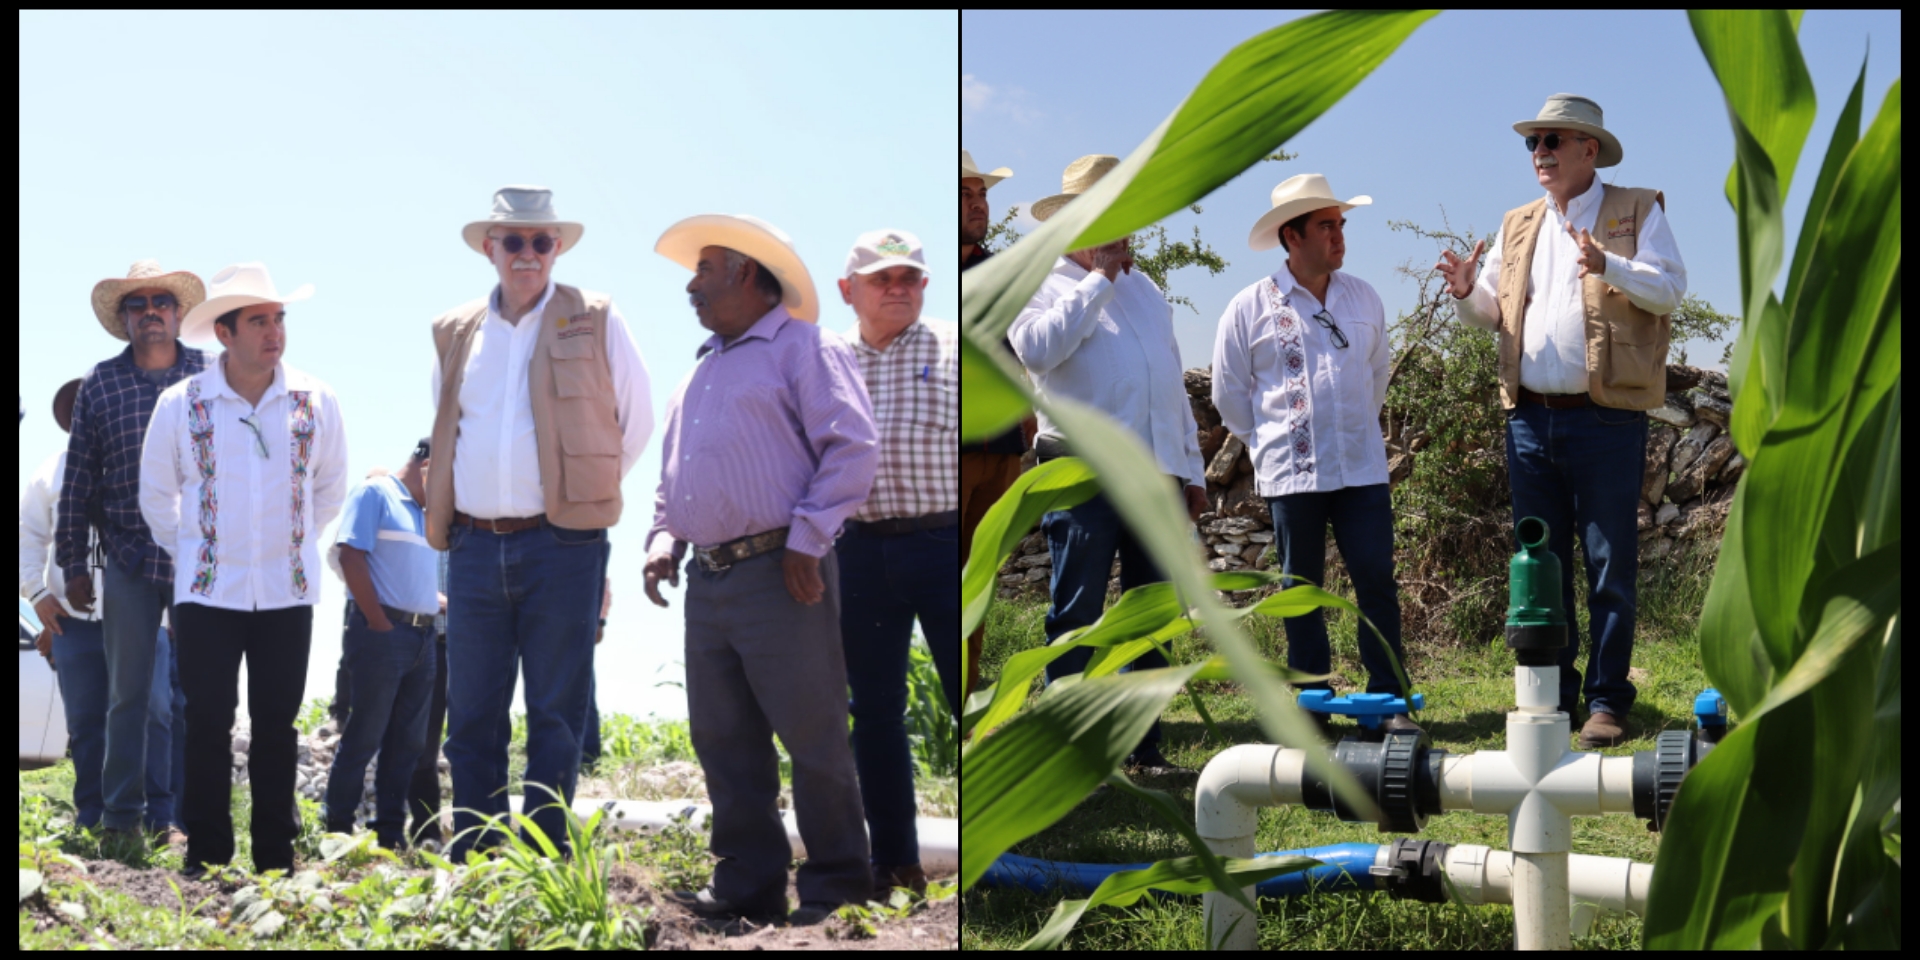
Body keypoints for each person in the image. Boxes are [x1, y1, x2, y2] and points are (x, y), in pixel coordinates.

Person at [646, 213, 879, 925]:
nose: (693, 285)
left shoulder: (804, 347)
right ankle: (748, 883)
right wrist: (663, 536)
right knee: (723, 736)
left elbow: (853, 446)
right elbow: (674, 471)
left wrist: (809, 538)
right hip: (709, 580)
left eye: (705, 270)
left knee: (812, 734)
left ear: (747, 273)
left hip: (783, 571)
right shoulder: (702, 368)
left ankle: (837, 884)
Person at [1434, 94, 1687, 748]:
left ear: (1588, 150)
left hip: (1606, 420)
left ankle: (1606, 701)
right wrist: (1466, 293)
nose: (1540, 153)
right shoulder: (1518, 222)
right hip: (1529, 420)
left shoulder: (1636, 208)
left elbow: (1668, 289)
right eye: (1533, 143)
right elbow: (1495, 313)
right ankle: (1551, 694)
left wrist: (1611, 265)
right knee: (1539, 563)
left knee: (1609, 565)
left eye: (1552, 141)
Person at [425, 186, 654, 857]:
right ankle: (475, 856)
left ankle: (545, 859)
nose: (528, 254)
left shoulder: (598, 317)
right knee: (470, 717)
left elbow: (633, 424)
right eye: (514, 241)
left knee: (556, 712)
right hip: (471, 545)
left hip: (565, 545)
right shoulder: (454, 331)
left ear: (557, 248)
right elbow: (447, 429)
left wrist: (580, 498)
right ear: (490, 248)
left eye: (541, 241)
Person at [141, 263, 348, 877]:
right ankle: (206, 857)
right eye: (259, 320)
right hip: (207, 593)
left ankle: (275, 859)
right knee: (207, 720)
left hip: (286, 591)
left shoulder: (317, 399)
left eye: (279, 318)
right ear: (225, 334)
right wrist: (196, 555)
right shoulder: (183, 404)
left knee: (278, 725)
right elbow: (157, 494)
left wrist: (288, 544)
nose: (274, 331)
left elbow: (330, 489)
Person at [1009, 155, 1206, 775]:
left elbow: (1169, 382)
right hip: (1081, 471)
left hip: (1154, 474)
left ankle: (1143, 749)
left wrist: (1192, 468)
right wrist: (1095, 280)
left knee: (1150, 612)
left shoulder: (1146, 291)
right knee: (1077, 613)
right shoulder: (1038, 280)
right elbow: (1036, 351)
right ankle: (1069, 757)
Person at [1212, 174, 1415, 738]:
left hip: (1361, 470)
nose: (1339, 236)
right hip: (1291, 474)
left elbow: (1376, 376)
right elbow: (1229, 397)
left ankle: (1388, 702)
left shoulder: (1364, 297)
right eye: (1326, 226)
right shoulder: (1249, 307)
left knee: (1376, 581)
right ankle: (1314, 706)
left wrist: (1346, 431)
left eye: (1340, 225)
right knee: (1300, 590)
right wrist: (1274, 443)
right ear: (1291, 235)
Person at [57, 260, 208, 856]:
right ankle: (122, 818)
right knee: (130, 694)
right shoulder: (100, 383)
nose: (151, 311)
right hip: (126, 556)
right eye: (138, 303)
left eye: (162, 302)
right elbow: (77, 480)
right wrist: (71, 563)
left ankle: (186, 819)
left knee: (199, 695)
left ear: (178, 314)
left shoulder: (210, 375)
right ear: (123, 319)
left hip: (202, 559)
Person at [834, 229, 958, 896]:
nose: (899, 287)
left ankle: (1000, 842)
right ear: (848, 291)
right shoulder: (828, 362)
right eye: (883, 278)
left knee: (970, 698)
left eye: (910, 276)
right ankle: (896, 863)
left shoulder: (955, 346)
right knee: (873, 712)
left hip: (942, 546)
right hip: (859, 552)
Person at [21, 379, 182, 840]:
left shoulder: (148, 469)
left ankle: (161, 819)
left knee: (154, 712)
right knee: (87, 721)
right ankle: (93, 818)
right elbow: (26, 536)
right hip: (75, 627)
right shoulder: (49, 472)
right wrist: (37, 594)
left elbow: (173, 537)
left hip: (144, 617)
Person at [321, 439, 441, 850]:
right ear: (428, 464)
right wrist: (377, 621)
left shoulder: (428, 515)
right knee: (366, 733)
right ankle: (337, 829)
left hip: (423, 638)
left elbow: (409, 579)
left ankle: (389, 832)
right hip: (383, 633)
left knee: (408, 741)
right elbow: (349, 555)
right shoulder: (376, 493)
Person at [957, 149, 1029, 709]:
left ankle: (961, 701)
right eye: (965, 194)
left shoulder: (1000, 268)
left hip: (1001, 448)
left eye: (982, 195)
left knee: (978, 582)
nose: (979, 206)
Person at [406, 550, 452, 848]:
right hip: (424, 643)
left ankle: (479, 836)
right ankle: (427, 835)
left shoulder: (474, 519)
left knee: (477, 742)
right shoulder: (407, 516)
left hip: (474, 643)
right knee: (422, 744)